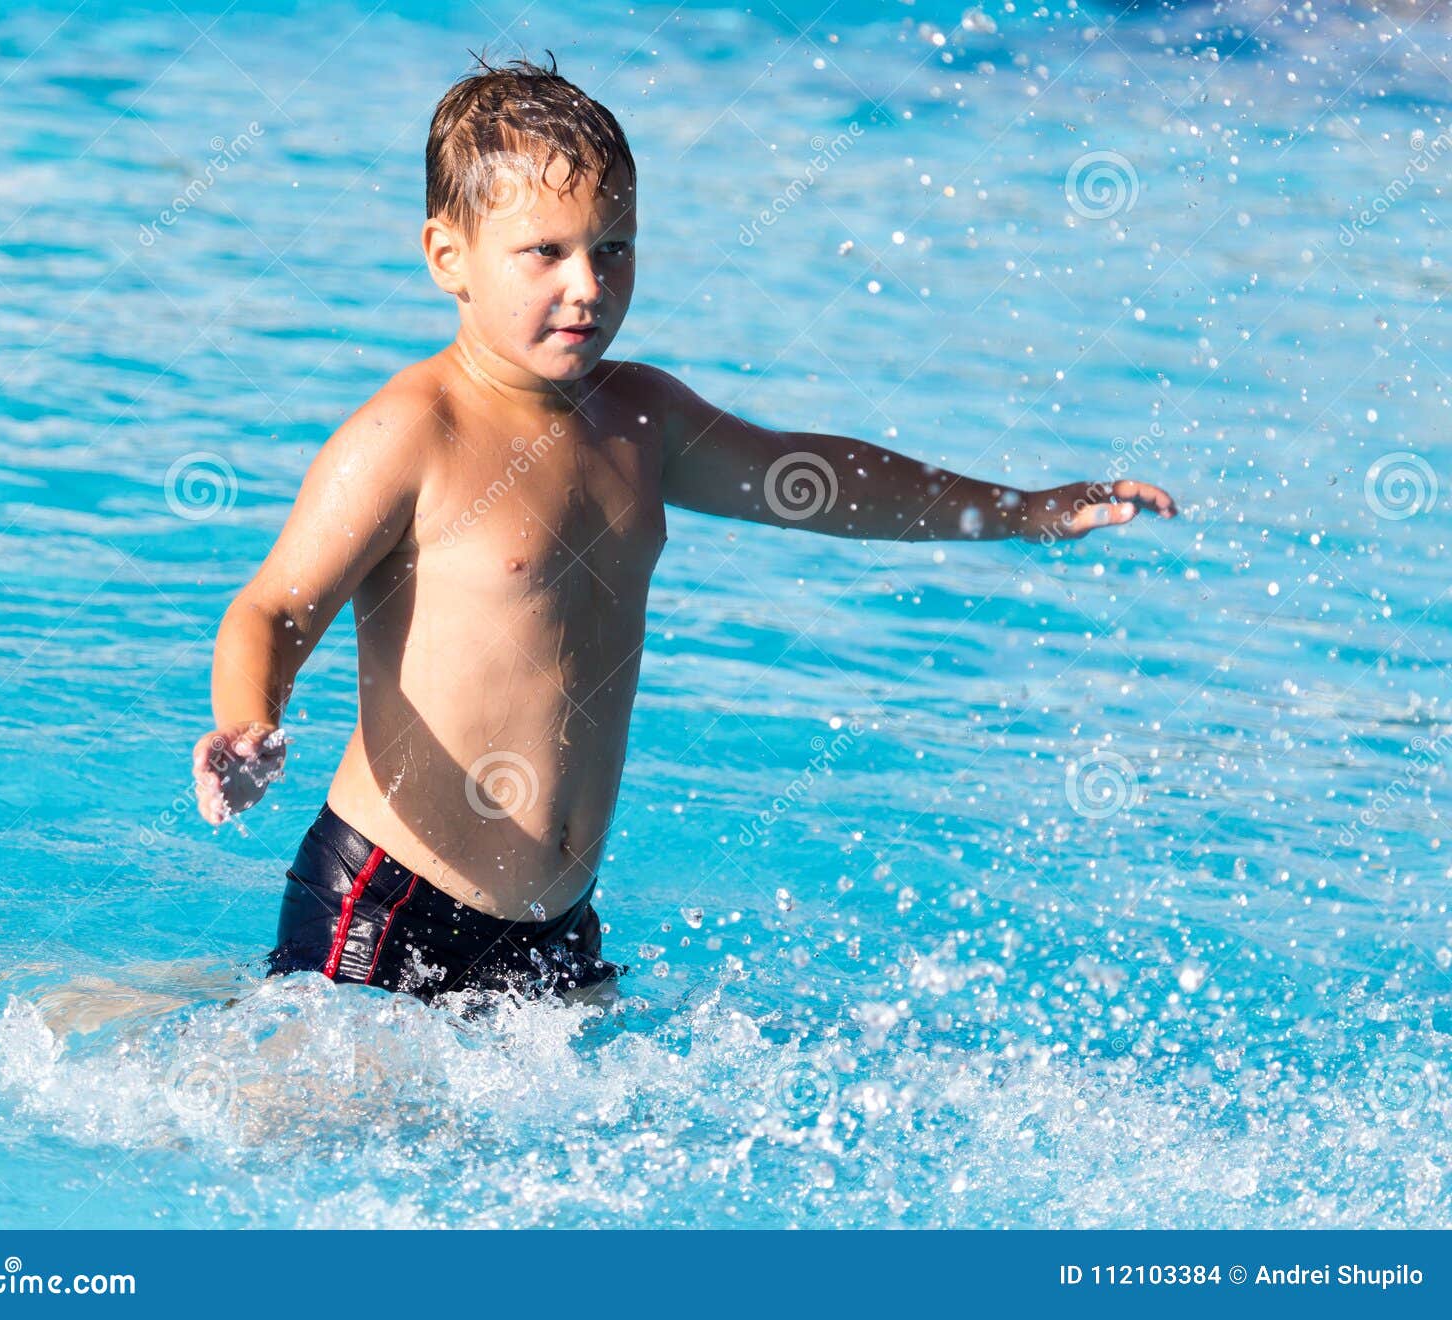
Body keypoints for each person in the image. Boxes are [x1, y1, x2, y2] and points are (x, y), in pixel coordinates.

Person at [193, 51, 1176, 1005]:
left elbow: (820, 479)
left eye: (612, 248)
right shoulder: (413, 430)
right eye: (546, 252)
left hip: (556, 925)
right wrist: (245, 721)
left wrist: (1017, 511)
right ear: (447, 256)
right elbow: (276, 606)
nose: (587, 284)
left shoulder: (640, 419)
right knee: (300, 1138)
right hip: (393, 905)